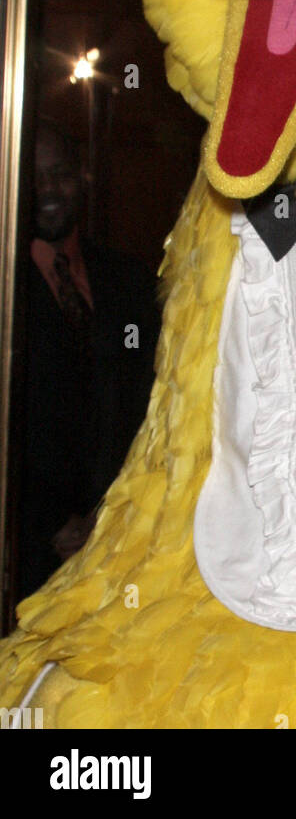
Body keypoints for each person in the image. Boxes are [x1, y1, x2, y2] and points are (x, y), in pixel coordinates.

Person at [14, 121, 160, 602]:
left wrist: (112, 513)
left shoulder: (130, 282)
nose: (49, 189)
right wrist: (53, 522)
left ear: (83, 177)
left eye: (59, 173)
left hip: (122, 546)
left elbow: (148, 406)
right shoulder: (7, 288)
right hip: (26, 555)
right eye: (34, 176)